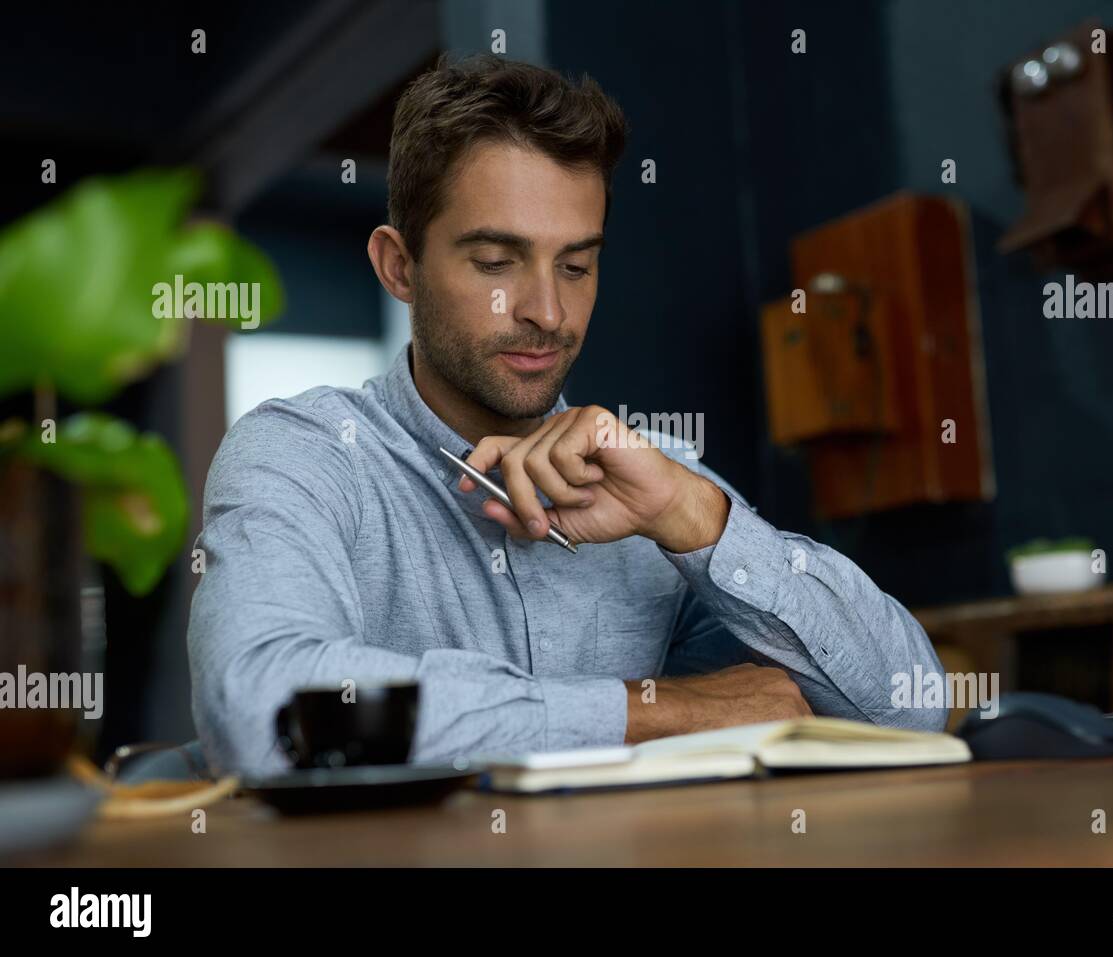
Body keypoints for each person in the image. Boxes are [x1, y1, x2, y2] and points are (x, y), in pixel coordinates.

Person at [188, 53, 946, 775]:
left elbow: (911, 711)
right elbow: (264, 712)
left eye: (576, 265)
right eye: (495, 262)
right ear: (399, 266)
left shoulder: (652, 476)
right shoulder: (304, 455)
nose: (547, 311)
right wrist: (649, 712)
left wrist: (697, 515)